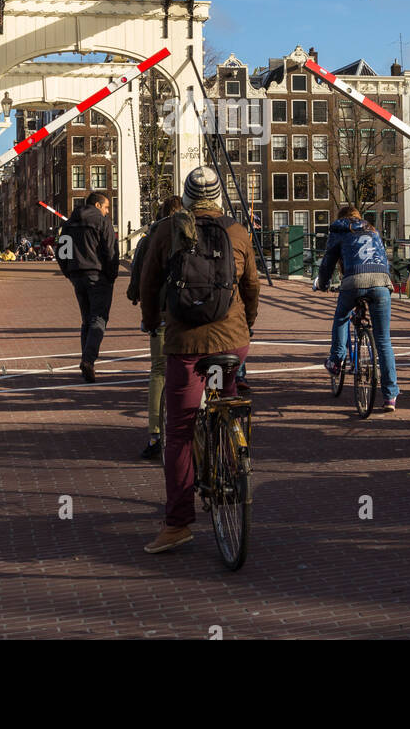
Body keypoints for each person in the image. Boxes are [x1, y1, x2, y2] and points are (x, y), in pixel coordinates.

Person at [138, 166, 259, 554]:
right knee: (226, 394)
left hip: (185, 343)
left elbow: (149, 283)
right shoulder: (237, 232)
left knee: (180, 432)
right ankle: (233, 448)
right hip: (231, 340)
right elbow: (252, 286)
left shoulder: (167, 230)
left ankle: (177, 525)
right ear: (219, 196)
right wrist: (247, 327)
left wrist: (150, 321)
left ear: (187, 197)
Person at [316, 206, 400, 413]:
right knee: (383, 340)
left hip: (354, 279)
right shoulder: (372, 230)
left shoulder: (339, 230)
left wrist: (323, 283)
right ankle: (390, 396)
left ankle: (336, 360)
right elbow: (382, 258)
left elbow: (328, 262)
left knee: (342, 317)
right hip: (381, 280)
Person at [127, 194, 184, 460]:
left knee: (159, 371)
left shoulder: (150, 238)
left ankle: (155, 434)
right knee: (196, 369)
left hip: (161, 314)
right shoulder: (196, 235)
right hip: (190, 314)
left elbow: (139, 278)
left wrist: (138, 300)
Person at [57, 191, 120, 382]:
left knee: (87, 320)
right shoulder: (102, 222)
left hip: (77, 275)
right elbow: (111, 250)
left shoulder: (68, 223)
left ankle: (87, 360)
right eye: (107, 207)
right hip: (98, 276)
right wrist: (111, 275)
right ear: (98, 206)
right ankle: (88, 359)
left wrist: (69, 271)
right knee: (98, 319)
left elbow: (62, 251)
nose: (108, 211)